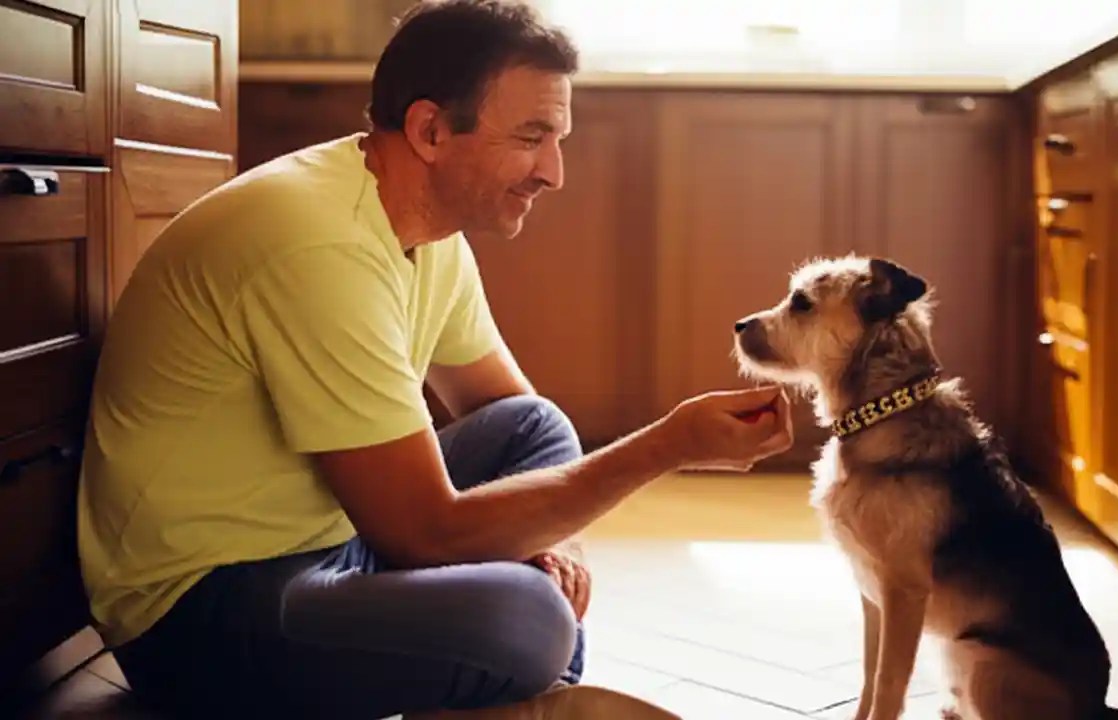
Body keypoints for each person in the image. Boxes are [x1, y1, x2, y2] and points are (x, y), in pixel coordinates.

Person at [75, 1, 794, 718]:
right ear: (429, 129)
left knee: (531, 426)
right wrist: (669, 446)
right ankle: (533, 693)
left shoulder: (428, 230)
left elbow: (508, 416)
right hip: (203, 610)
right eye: (532, 137)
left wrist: (556, 549)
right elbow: (422, 530)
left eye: (559, 138)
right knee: (525, 622)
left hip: (331, 541)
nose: (554, 172)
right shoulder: (316, 244)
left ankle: (520, 696)